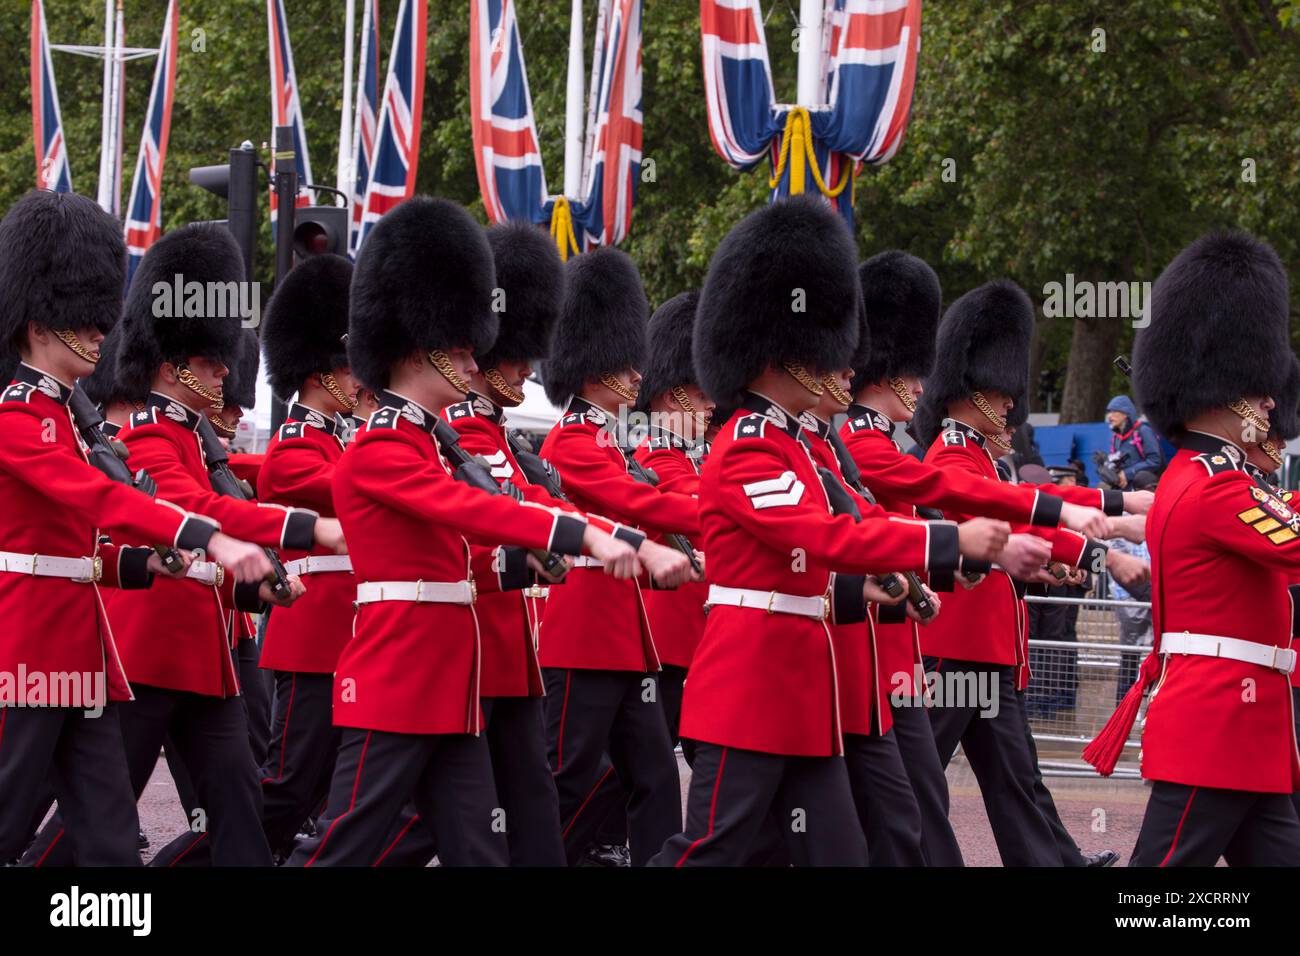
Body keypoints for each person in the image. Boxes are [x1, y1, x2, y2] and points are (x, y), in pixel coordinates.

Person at [649, 197, 1012, 867]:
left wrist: (937, 560)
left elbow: (861, 522)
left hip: (805, 693)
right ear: (775, 357)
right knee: (710, 850)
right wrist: (949, 542)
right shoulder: (746, 447)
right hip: (749, 690)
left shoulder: (799, 448)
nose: (837, 366)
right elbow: (825, 538)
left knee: (842, 850)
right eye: (819, 353)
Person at [285, 196, 646, 867]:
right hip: (396, 679)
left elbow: (452, 563)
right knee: (347, 849)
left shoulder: (431, 441)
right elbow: (472, 512)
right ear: (426, 349)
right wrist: (585, 537)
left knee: (478, 849)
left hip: (452, 682)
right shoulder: (381, 447)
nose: (478, 358)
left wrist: (517, 566)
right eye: (462, 347)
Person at [0, 191, 262, 865]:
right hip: (28, 654)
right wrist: (207, 537)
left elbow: (82, 550)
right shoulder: (18, 418)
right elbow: (95, 501)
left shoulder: (69, 419)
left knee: (112, 847)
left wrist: (147, 566)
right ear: (38, 323)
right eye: (83, 321)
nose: (98, 332)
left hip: (85, 655)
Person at [840, 251, 1118, 866]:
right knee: (907, 789)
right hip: (937, 641)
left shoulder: (919, 449)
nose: (1013, 407)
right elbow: (975, 507)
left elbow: (995, 509)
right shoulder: (900, 450)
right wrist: (1086, 524)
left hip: (959, 639)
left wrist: (1077, 539)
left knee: (985, 780)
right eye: (1002, 394)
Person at [1087, 231, 1300, 866]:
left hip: (1247, 728)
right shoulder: (1214, 486)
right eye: (1262, 390)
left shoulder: (1202, 477)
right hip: (1217, 723)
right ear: (1229, 388)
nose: (1272, 400)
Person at [911, 279, 1112, 867]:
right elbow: (1005, 523)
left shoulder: (984, 459)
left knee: (1017, 778)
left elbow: (1016, 522)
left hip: (988, 650)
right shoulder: (951, 456)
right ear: (970, 392)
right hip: (953, 647)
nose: (1009, 406)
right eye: (1000, 395)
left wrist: (1056, 562)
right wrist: (1087, 551)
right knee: (915, 776)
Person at [536, 247, 700, 866]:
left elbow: (654, 495)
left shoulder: (612, 441)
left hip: (627, 640)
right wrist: (735, 518)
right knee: (568, 777)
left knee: (655, 776)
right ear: (590, 367)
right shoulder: (572, 441)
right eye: (624, 366)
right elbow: (642, 503)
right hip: (581, 636)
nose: (638, 377)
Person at [1103, 395, 1163, 487]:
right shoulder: (1116, 438)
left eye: (1114, 411)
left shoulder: (1144, 431)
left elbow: (1154, 461)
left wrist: (1127, 474)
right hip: (1125, 488)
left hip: (1145, 488)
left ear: (1126, 413)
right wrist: (1107, 466)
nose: (1110, 416)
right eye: (1110, 412)